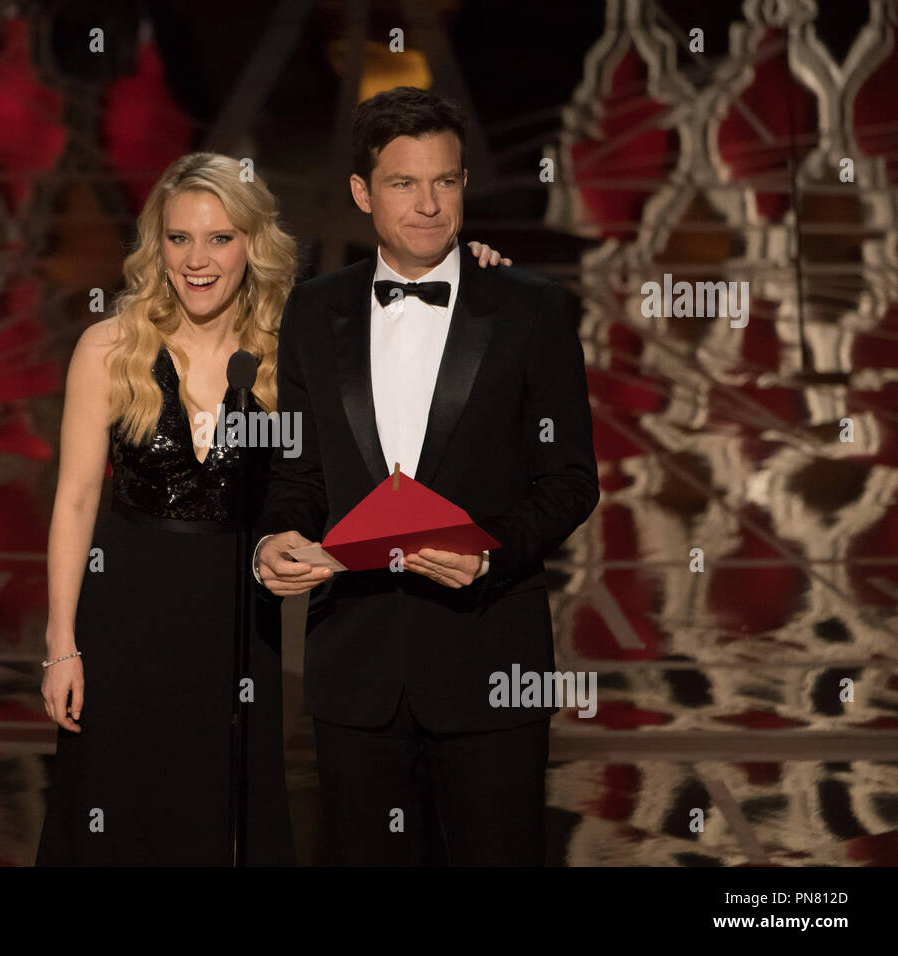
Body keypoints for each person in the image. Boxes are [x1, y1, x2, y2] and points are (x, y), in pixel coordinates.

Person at [36, 150, 510, 865]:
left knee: (223, 816)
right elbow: (74, 503)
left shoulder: (294, 347)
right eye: (179, 238)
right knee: (114, 813)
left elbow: (406, 336)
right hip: (122, 619)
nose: (198, 259)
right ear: (156, 245)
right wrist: (61, 646)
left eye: (220, 238)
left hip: (237, 627)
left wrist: (465, 267)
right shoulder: (109, 349)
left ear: (252, 246)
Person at [253, 87, 600, 866]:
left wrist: (492, 551)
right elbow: (299, 468)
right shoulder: (312, 312)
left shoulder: (532, 309)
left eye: (445, 181)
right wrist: (280, 533)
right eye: (404, 184)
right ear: (361, 193)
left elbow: (571, 478)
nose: (428, 204)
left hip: (490, 657)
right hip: (354, 668)